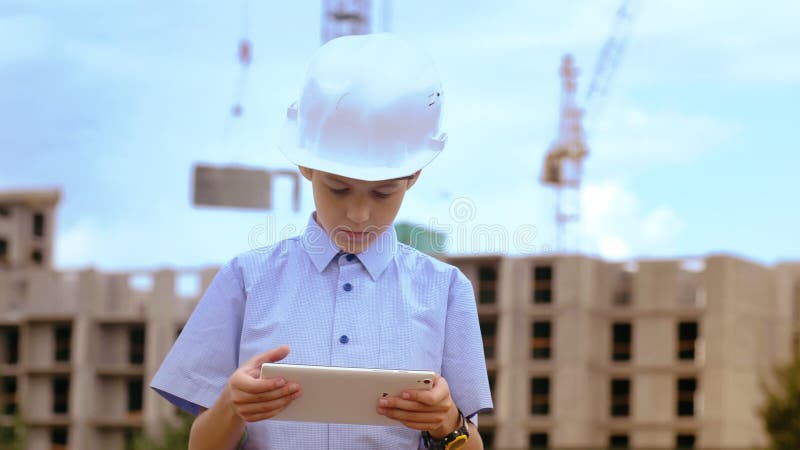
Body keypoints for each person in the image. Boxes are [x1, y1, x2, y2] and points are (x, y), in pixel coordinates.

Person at [150, 33, 493, 450]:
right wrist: (232, 406)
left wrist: (449, 423)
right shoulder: (245, 279)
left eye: (384, 193)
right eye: (339, 188)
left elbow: (470, 444)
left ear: (415, 175)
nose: (359, 213)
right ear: (305, 165)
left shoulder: (446, 291)